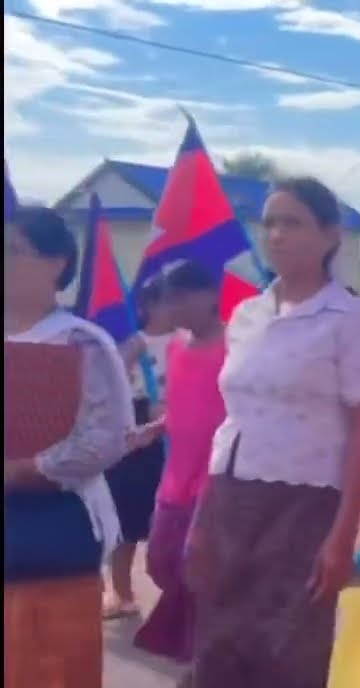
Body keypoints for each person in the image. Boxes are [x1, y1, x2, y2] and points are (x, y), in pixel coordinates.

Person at [185, 177, 360, 686]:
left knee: (289, 649)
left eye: (292, 222)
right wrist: (202, 517)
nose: (276, 234)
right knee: (219, 642)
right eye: (269, 222)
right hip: (231, 498)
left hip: (304, 505)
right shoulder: (246, 315)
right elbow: (234, 419)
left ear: (329, 235)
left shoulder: (351, 318)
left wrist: (342, 536)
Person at [4, 208, 135, 688]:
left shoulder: (80, 342)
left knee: (51, 667)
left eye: (13, 250)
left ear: (56, 263)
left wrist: (23, 470)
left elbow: (105, 437)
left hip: (53, 531)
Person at [132, 260, 228, 666]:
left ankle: (206, 650)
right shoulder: (175, 346)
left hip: (215, 478)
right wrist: (155, 427)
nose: (174, 307)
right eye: (169, 299)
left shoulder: (234, 347)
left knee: (198, 567)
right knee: (160, 561)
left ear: (209, 295)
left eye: (182, 297)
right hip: (175, 477)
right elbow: (184, 407)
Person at [103, 276, 174, 620]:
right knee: (126, 521)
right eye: (165, 301)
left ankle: (179, 600)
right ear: (146, 307)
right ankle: (122, 594)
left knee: (173, 523)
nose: (173, 308)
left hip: (179, 438)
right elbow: (107, 384)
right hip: (136, 436)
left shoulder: (189, 341)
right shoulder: (135, 343)